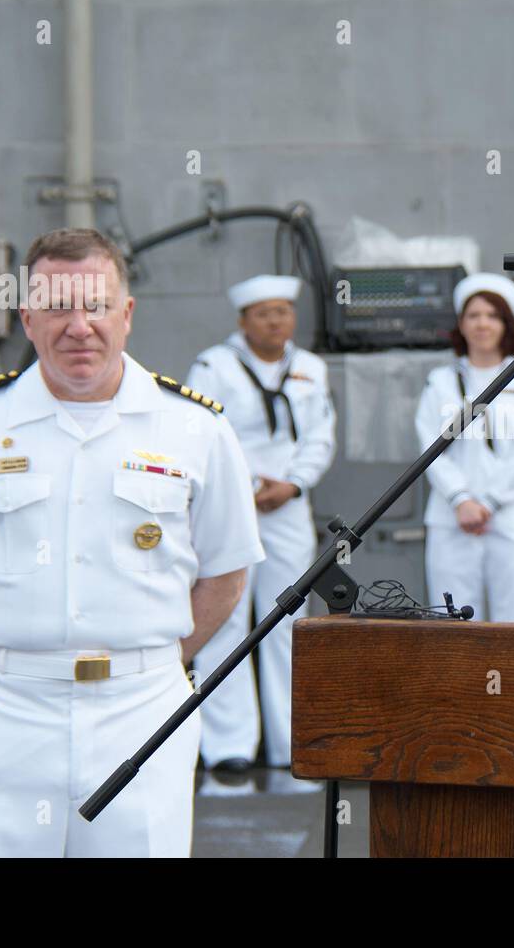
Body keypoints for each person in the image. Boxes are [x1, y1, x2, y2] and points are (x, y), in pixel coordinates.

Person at [0, 228, 263, 857]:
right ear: (27, 318)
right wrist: (2, 653)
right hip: (1, 713)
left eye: (95, 304)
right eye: (58, 306)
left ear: (127, 314)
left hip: (143, 712)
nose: (79, 325)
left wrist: (148, 658)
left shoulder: (195, 428)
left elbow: (226, 574)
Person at [186, 275, 335, 770]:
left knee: (286, 621)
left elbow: (320, 436)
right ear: (242, 321)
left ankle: (288, 743)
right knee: (223, 618)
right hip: (232, 505)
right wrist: (248, 487)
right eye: (264, 313)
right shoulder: (214, 367)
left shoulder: (310, 368)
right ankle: (228, 746)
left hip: (288, 505)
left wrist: (293, 483)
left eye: (283, 311)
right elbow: (202, 434)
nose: (276, 321)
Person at [415, 273, 514, 623]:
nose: (482, 324)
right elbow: (430, 446)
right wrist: (461, 499)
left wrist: (488, 502)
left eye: (492, 316)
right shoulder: (440, 382)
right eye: (473, 316)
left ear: (507, 324)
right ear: (460, 324)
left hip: (513, 517)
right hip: (452, 518)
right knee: (452, 624)